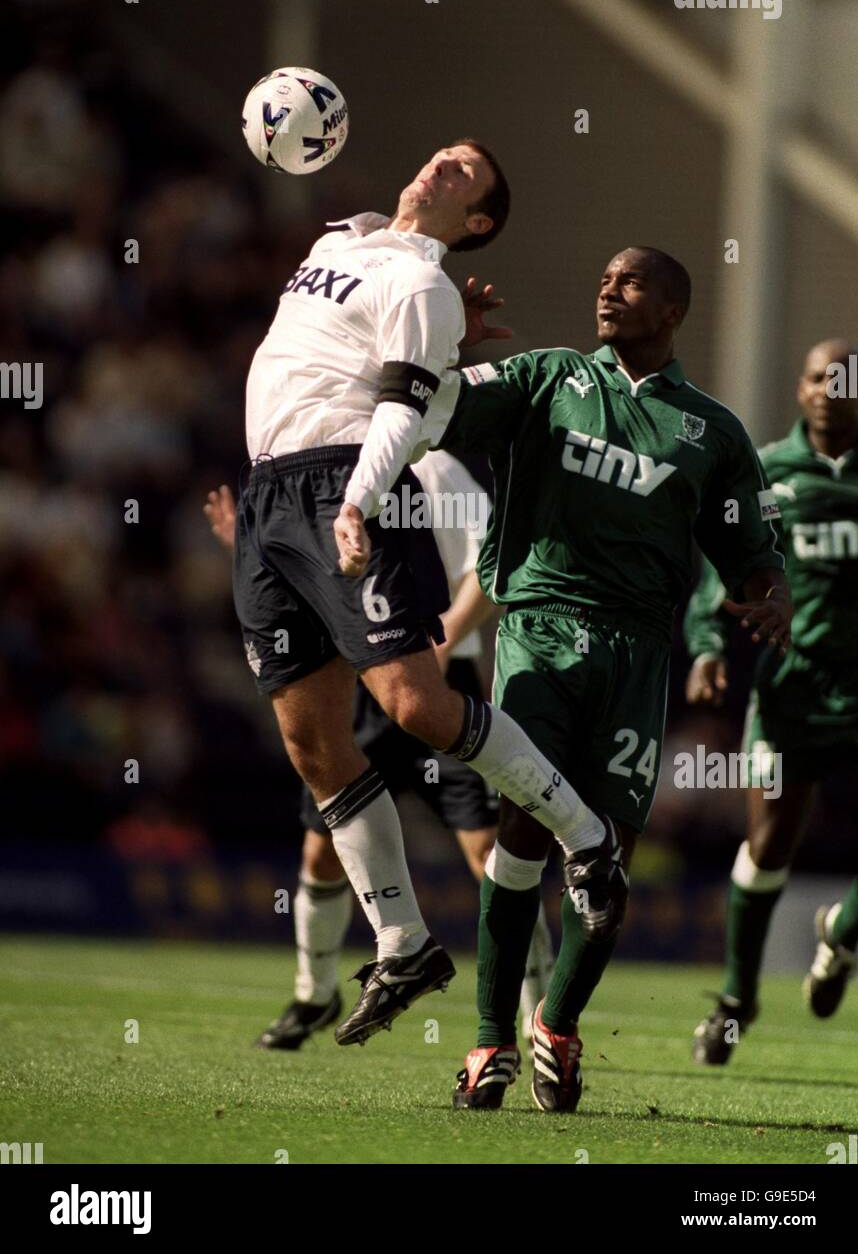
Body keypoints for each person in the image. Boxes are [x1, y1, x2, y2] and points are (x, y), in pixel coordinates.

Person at [233, 141, 606, 1048]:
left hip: (337, 482)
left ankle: (584, 834)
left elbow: (400, 413)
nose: (440, 167)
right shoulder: (340, 242)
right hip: (265, 492)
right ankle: (402, 944)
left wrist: (359, 500)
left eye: (465, 174)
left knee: (416, 705)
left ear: (477, 222)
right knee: (310, 741)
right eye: (442, 155)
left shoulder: (424, 284)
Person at [426, 245, 791, 1111]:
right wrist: (449, 346)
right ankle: (488, 1044)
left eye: (629, 282)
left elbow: (753, 553)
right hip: (538, 634)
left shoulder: (713, 431)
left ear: (673, 309)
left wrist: (769, 596)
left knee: (611, 863)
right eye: (603, 278)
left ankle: (554, 1024)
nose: (607, 288)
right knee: (520, 830)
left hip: (637, 655)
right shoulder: (547, 377)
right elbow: (433, 407)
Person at [204, 470, 554, 1050]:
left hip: (437, 682)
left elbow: (492, 569)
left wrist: (441, 639)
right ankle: (314, 993)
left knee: (490, 851)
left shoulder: (440, 469)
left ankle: (532, 1010)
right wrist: (256, 551)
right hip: (361, 688)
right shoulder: (341, 467)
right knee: (321, 851)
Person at [687, 340, 858, 1064]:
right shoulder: (768, 471)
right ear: (799, 390)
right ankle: (736, 1000)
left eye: (846, 380)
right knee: (768, 848)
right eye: (818, 376)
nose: (830, 389)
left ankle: (842, 933)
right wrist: (705, 644)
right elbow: (726, 566)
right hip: (794, 689)